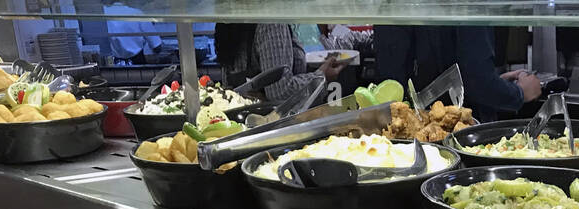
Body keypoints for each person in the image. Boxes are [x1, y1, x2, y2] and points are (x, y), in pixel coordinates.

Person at [375, 26, 541, 122]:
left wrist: (497, 82)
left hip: (403, 130)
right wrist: (520, 93)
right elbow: (478, 81)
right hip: (460, 134)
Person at [214, 24, 346, 105]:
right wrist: (320, 77)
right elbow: (281, 91)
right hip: (271, 125)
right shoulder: (271, 23)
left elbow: (229, 87)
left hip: (243, 122)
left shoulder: (229, 21)